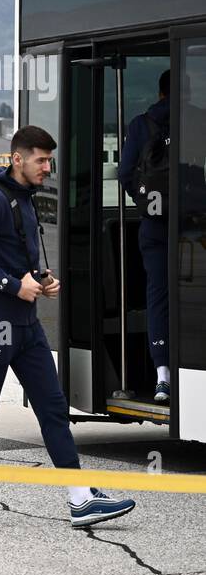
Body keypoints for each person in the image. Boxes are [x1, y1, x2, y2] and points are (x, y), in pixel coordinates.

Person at [0, 125, 135, 529]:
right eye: (41, 160)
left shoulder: (24, 199)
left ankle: (79, 497)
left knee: (53, 409)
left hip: (26, 325)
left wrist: (40, 278)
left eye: (49, 160)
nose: (47, 167)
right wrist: (16, 286)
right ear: (18, 159)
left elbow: (13, 253)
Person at [117, 69, 171, 401]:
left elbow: (124, 173)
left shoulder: (141, 124)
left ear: (160, 93)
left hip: (155, 228)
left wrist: (146, 202)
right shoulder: (196, 120)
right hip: (195, 226)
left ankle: (163, 375)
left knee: (159, 298)